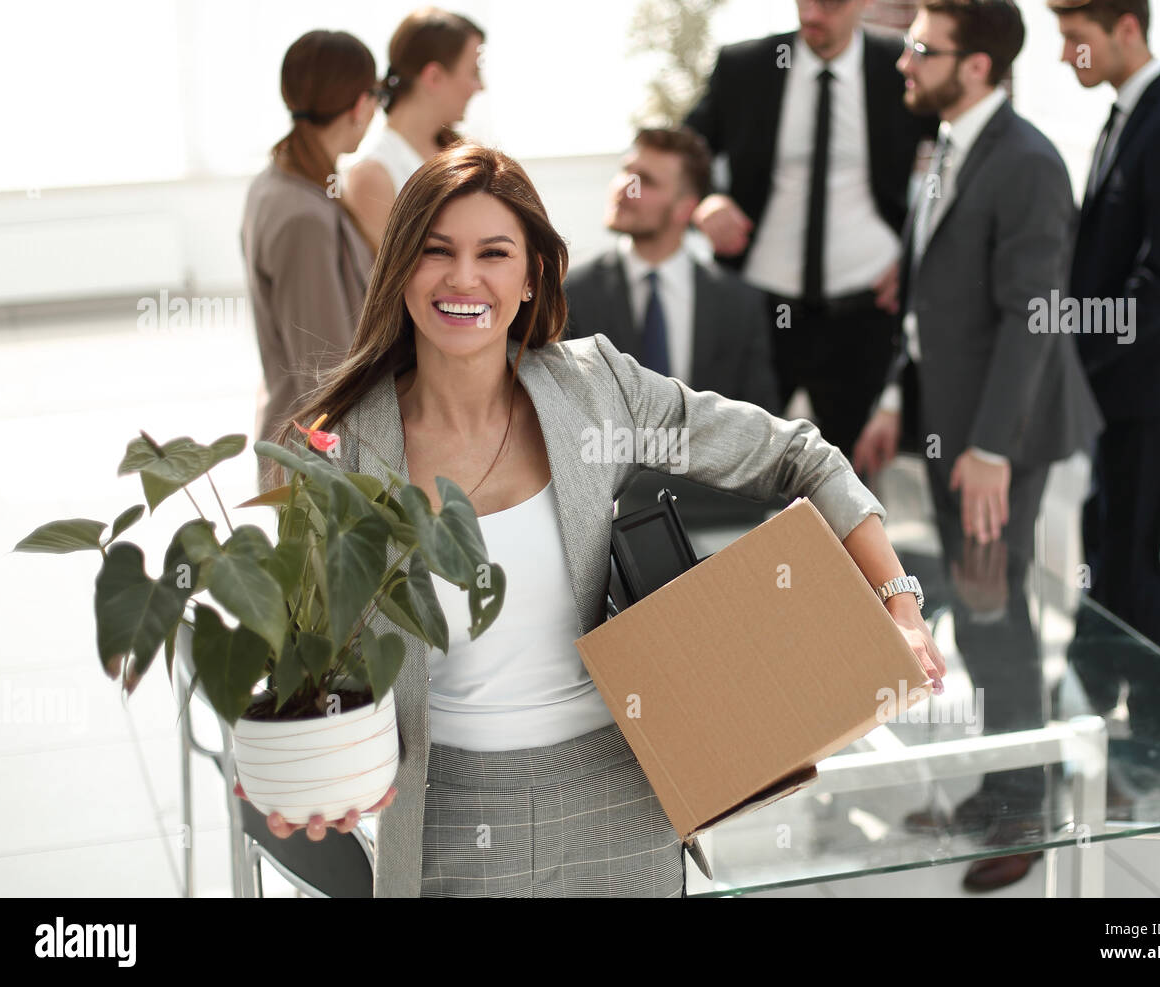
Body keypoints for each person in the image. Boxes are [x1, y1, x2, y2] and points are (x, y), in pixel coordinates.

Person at [241, 142, 948, 898]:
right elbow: (312, 661)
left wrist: (897, 604)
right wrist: (307, 777)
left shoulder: (592, 390)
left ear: (530, 277)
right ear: (400, 266)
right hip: (447, 811)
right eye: (435, 250)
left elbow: (802, 457)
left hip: (622, 798)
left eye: (494, 253)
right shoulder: (342, 445)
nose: (463, 277)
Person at [855, 0, 1101, 893]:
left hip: (1009, 436)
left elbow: (1031, 319)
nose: (903, 62)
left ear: (979, 67)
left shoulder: (1029, 162)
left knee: (996, 617)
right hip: (955, 424)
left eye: (923, 49)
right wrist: (893, 395)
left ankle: (1023, 812)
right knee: (979, 602)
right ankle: (1003, 783)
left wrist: (992, 448)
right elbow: (926, 298)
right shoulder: (948, 145)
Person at [684, 0, 936, 458]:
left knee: (853, 489)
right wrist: (705, 202)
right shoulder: (746, 66)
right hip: (759, 306)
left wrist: (917, 255)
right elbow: (683, 147)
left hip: (865, 313)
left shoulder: (900, 65)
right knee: (735, 465)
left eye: (831, 3)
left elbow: (959, 154)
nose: (813, 15)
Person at [1047, 0, 1160, 661]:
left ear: (1126, 28)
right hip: (1120, 384)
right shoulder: (1127, 114)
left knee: (1131, 564)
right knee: (1107, 545)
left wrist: (1076, 351)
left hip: (1152, 386)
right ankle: (1107, 718)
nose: (1066, 55)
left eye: (1075, 39)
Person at [565, 126, 782, 527]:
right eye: (625, 172)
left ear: (686, 207)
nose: (623, 188)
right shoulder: (568, 293)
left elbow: (759, 428)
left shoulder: (738, 302)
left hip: (716, 524)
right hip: (597, 528)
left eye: (645, 181)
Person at [240, 30, 379, 490]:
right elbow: (324, 367)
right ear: (360, 104)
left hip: (308, 451)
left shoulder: (279, 183)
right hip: (318, 467)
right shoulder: (305, 214)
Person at [345, 8, 485, 252]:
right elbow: (380, 285)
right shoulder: (373, 175)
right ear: (433, 76)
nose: (480, 86)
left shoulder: (465, 153)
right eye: (473, 72)